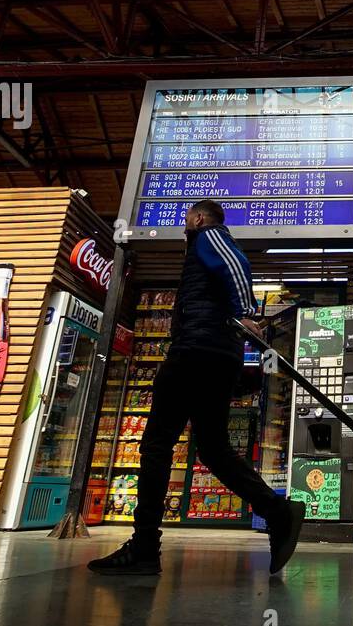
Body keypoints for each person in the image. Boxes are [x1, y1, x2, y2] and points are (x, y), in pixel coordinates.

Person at [89, 199, 304, 575]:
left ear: (199, 217)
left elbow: (236, 266)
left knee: (156, 445)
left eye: (187, 217)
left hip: (196, 354)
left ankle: (143, 549)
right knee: (214, 450)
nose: (184, 223)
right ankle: (276, 511)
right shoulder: (202, 248)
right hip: (210, 355)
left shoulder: (210, 235)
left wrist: (245, 311)